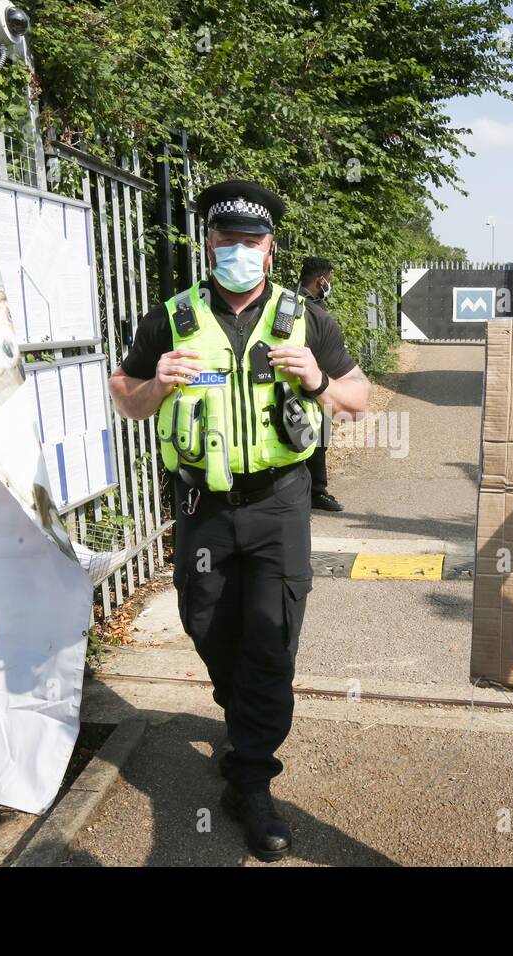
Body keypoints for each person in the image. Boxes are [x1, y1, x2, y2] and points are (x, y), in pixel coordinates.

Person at [108, 180, 370, 861]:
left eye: (251, 242)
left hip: (279, 503)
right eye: (226, 240)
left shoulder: (306, 318)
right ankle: (245, 707)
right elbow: (126, 398)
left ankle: (251, 779)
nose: (238, 252)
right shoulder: (169, 317)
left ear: (271, 249)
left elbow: (358, 399)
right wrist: (155, 383)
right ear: (209, 243)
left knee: (272, 637)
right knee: (206, 622)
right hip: (201, 505)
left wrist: (317, 380)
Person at [298, 256, 344, 512]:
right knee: (311, 437)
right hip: (310, 383)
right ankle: (314, 492)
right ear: (321, 280)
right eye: (330, 280)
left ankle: (312, 490)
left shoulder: (298, 302)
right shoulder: (304, 306)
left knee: (318, 437)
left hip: (314, 379)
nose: (330, 285)